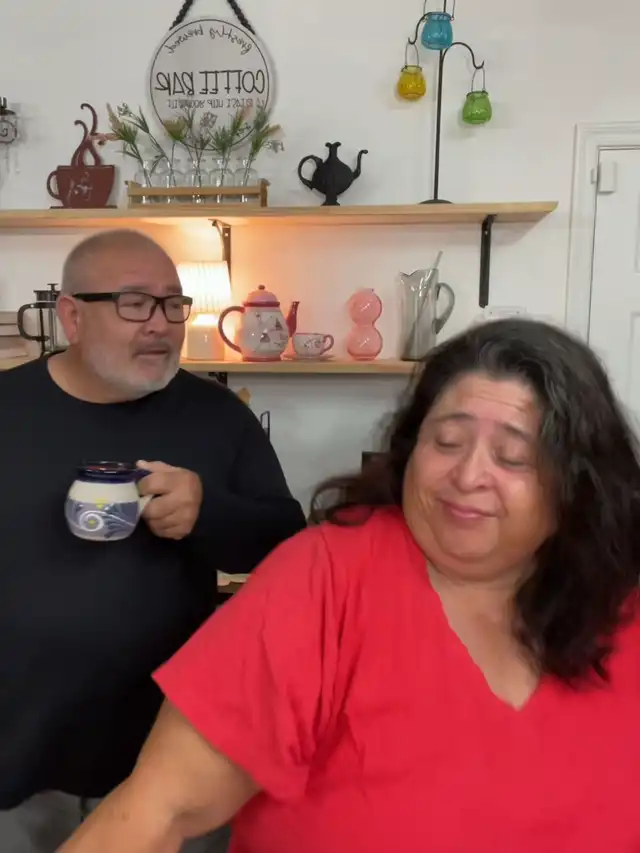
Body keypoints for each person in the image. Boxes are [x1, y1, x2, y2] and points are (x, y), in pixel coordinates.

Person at [59, 317, 640, 853]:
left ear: (578, 484)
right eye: (446, 443)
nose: (468, 476)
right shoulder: (325, 578)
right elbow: (156, 810)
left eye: (512, 457)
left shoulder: (619, 595)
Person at [0, 229, 305, 853]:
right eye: (135, 303)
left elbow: (286, 546)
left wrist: (207, 512)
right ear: (71, 316)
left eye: (172, 304)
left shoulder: (218, 415)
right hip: (16, 763)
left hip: (170, 766)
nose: (160, 324)